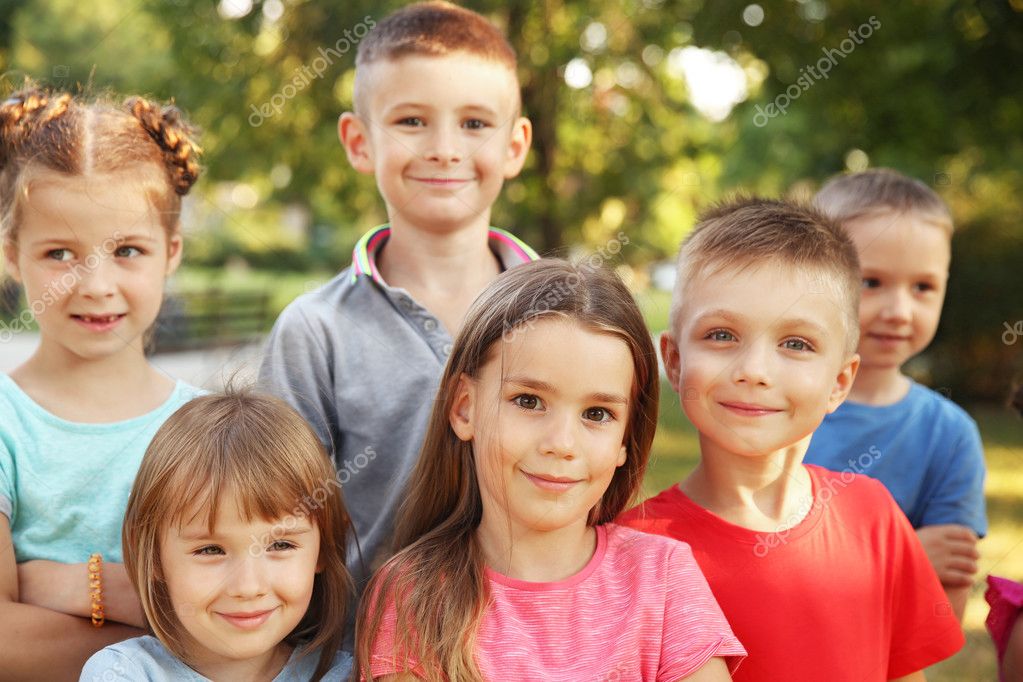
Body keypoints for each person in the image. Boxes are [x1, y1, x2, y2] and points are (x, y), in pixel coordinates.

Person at [620, 198, 964, 681]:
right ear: (674, 362)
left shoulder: (875, 518)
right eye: (721, 335)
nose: (754, 371)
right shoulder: (629, 550)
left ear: (839, 382)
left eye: (796, 344)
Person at [258, 1, 537, 589]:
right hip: (360, 655)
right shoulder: (315, 331)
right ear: (359, 142)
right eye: (411, 121)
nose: (443, 148)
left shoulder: (564, 316)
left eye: (475, 123)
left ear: (515, 146)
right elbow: (277, 517)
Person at [357, 259, 745, 681]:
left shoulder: (663, 577)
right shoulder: (414, 595)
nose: (561, 444)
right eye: (528, 401)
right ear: (464, 407)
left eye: (597, 413)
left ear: (625, 439)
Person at [0, 84, 204, 679]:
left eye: (127, 250)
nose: (94, 285)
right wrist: (175, 620)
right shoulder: (8, 423)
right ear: (14, 255)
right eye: (60, 253)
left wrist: (99, 592)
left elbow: (263, 611)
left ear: (171, 251)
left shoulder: (209, 427)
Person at [804, 168, 987, 621]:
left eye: (923, 287)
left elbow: (945, 618)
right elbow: (745, 563)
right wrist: (903, 556)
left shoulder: (950, 435)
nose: (900, 311)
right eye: (871, 282)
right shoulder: (774, 410)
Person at [81, 389, 354, 681]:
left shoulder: (349, 674)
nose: (248, 587)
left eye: (281, 544)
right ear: (153, 557)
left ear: (325, 547)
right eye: (211, 550)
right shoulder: (122, 674)